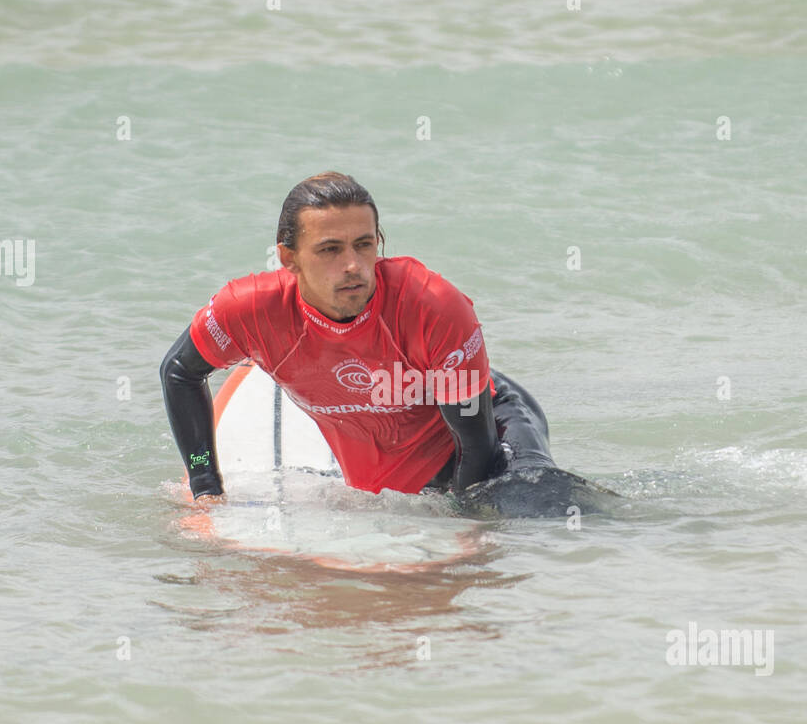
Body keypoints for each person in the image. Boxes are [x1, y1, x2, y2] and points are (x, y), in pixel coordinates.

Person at [160, 171, 556, 503]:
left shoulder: (433, 306)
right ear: (288, 258)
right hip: (396, 451)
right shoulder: (248, 310)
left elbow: (478, 448)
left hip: (493, 425)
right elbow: (179, 372)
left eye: (364, 245)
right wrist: (205, 485)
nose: (353, 265)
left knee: (531, 508)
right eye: (330, 249)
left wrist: (462, 520)